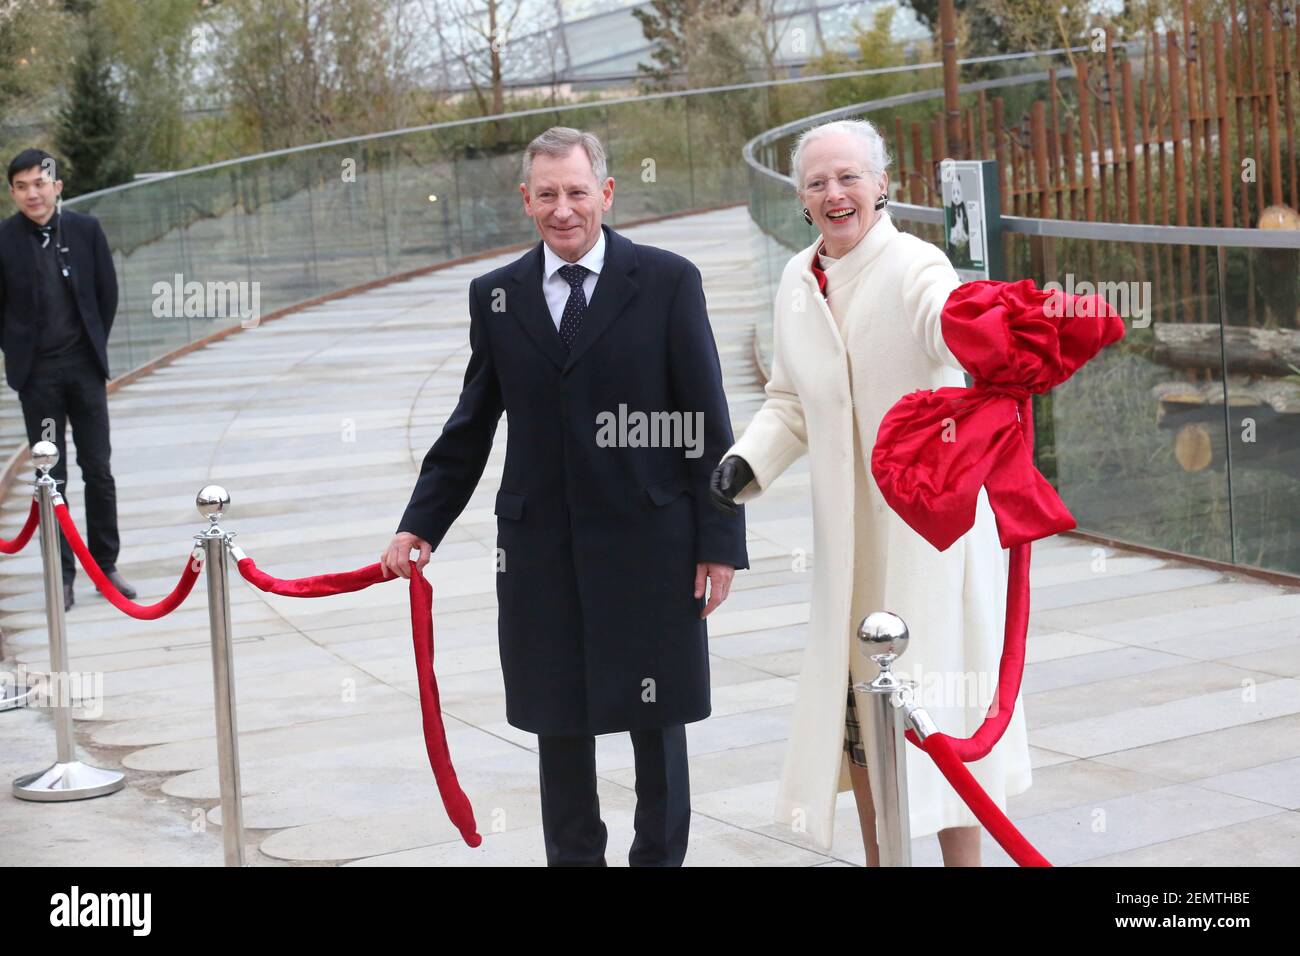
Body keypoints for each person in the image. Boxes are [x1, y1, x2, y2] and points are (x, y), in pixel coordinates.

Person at [380, 127, 747, 866]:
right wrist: (420, 523)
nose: (563, 209)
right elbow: (471, 424)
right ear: (526, 200)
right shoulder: (498, 297)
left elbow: (706, 424)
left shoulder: (669, 281)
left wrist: (719, 543)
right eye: (547, 194)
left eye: (578, 191)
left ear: (606, 194)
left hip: (651, 542)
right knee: (560, 723)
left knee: (657, 721)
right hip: (543, 550)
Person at [710, 119, 1032, 865]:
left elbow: (941, 319)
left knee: (937, 714)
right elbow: (791, 400)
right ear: (800, 197)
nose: (835, 193)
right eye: (818, 181)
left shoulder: (918, 266)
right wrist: (745, 463)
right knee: (859, 716)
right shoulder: (797, 280)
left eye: (849, 176)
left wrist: (971, 327)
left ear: (882, 184)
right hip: (847, 543)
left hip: (927, 533)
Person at [0, 149, 136, 611]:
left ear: (57, 187)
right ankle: (61, 575)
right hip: (37, 377)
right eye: (22, 186)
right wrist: (17, 353)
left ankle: (106, 566)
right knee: (49, 478)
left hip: (83, 371)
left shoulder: (84, 230)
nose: (32, 193)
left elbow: (107, 293)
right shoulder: (3, 239)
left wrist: (92, 346)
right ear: (14, 192)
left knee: (97, 468)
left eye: (40, 183)